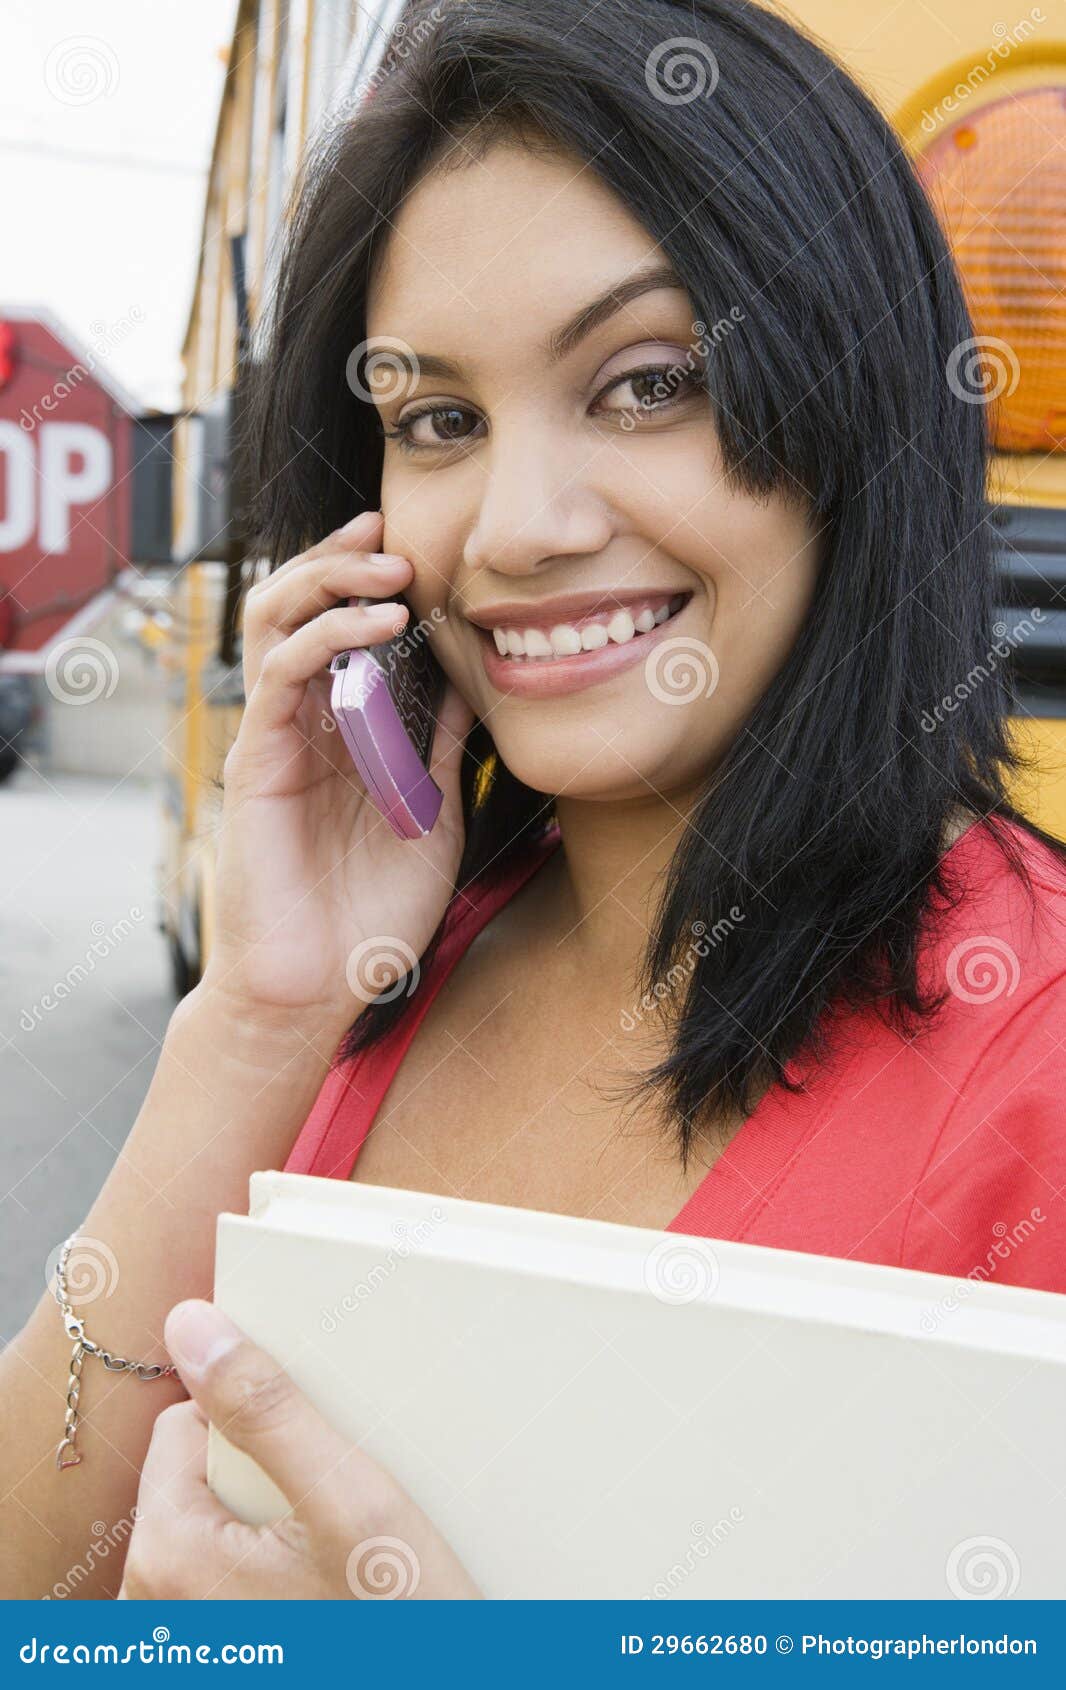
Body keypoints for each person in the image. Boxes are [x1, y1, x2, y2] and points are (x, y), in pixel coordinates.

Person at [4, 0, 1066, 1600]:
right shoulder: (378, 973)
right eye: (437, 419)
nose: (516, 525)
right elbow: (38, 1589)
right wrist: (257, 1017)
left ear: (852, 409)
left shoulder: (1029, 1055)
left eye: (646, 383)